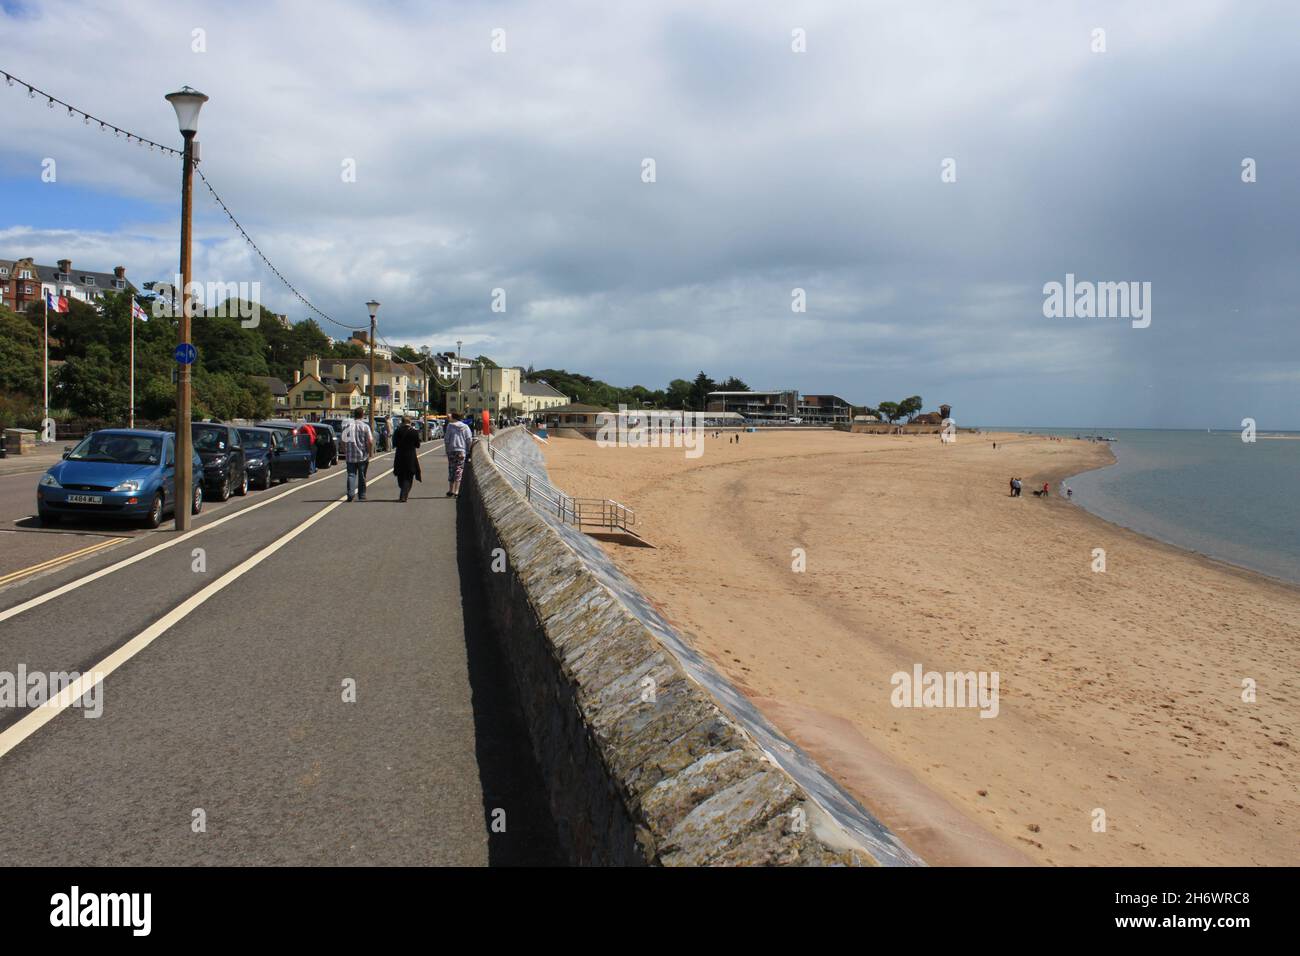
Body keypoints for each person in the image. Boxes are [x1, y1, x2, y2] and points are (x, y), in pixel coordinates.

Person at [340, 407, 373, 502]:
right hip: (362, 455)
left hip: (350, 455)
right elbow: (370, 441)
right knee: (362, 475)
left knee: (351, 475)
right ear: (362, 415)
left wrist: (345, 451)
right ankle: (362, 495)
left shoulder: (347, 426)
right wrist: (370, 452)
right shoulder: (365, 426)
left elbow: (342, 440)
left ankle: (350, 494)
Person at [392, 415, 422, 502]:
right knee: (408, 476)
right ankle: (404, 494)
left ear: (402, 422)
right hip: (410, 456)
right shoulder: (414, 432)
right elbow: (418, 445)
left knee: (400, 475)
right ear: (410, 422)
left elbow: (394, 443)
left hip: (399, 455)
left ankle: (403, 491)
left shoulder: (397, 431)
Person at [444, 410, 473, 498]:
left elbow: (446, 439)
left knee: (451, 469)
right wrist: (468, 450)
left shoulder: (450, 426)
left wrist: (447, 450)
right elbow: (469, 439)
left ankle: (450, 490)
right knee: (459, 470)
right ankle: (456, 491)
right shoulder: (465, 427)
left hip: (451, 450)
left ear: (453, 417)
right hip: (461, 451)